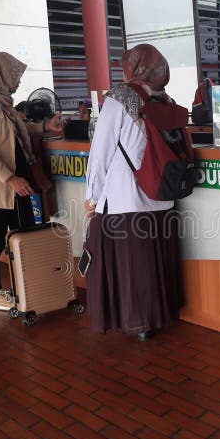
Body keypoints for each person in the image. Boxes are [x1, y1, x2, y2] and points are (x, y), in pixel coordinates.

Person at [84, 44, 184, 341]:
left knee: (132, 265)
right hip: (162, 195)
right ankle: (157, 316)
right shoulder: (166, 100)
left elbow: (100, 152)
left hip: (126, 198)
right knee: (155, 261)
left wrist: (92, 195)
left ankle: (139, 322)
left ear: (133, 68)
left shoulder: (119, 98)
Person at [0, 52, 65, 311]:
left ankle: (27, 286)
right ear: (1, 75)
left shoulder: (2, 102)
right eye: (15, 76)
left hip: (17, 183)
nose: (18, 82)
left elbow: (17, 131)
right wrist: (10, 178)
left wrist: (45, 128)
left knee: (25, 233)